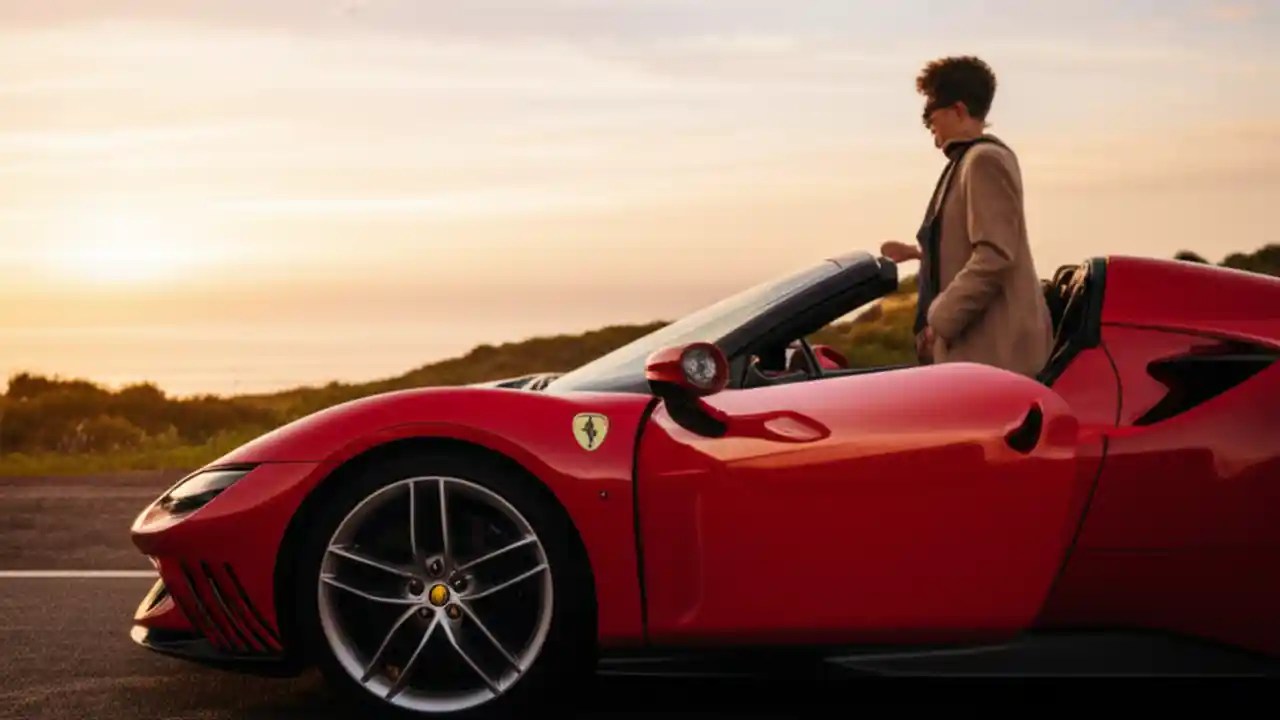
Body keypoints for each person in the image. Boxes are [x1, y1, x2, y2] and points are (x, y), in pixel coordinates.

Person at [881, 55, 1053, 378]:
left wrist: (939, 320)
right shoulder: (965, 163)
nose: (929, 128)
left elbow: (995, 255)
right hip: (978, 355)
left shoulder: (984, 161)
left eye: (930, 116)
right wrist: (924, 254)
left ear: (958, 110)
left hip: (995, 357)